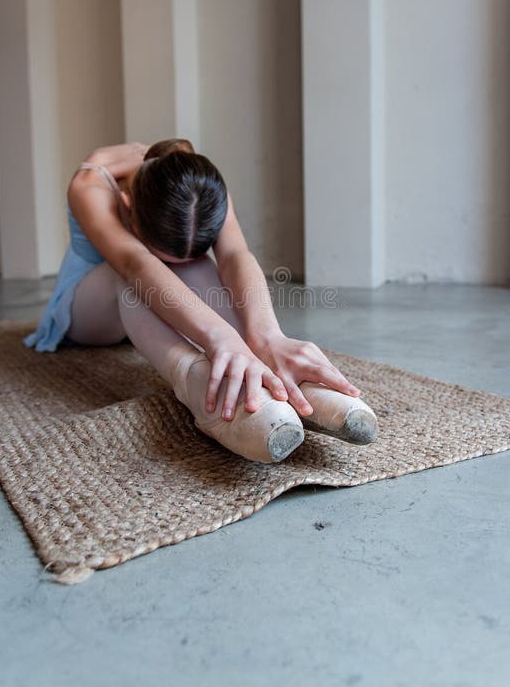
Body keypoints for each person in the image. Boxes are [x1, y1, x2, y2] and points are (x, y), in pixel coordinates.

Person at [24, 139, 378, 463]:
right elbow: (136, 265)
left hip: (145, 307)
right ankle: (197, 384)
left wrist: (268, 336)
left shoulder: (196, 184)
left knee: (198, 265)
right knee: (135, 276)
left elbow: (235, 255)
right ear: (128, 207)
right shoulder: (90, 184)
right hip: (88, 310)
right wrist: (221, 338)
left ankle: (270, 372)